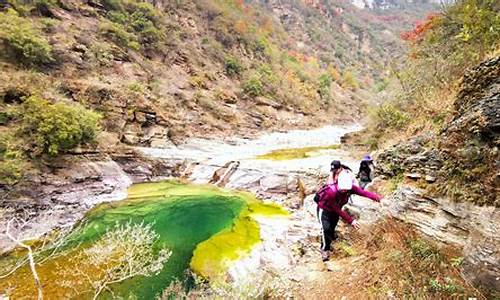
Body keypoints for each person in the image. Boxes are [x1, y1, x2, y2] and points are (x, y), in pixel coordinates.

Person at [316, 170, 382, 261]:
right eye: (343, 189)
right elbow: (337, 209)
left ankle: (329, 242)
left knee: (332, 229)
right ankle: (324, 249)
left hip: (335, 212)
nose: (344, 191)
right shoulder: (331, 192)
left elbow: (363, 193)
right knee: (326, 229)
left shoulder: (350, 188)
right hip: (324, 210)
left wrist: (377, 198)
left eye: (346, 190)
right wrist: (351, 221)